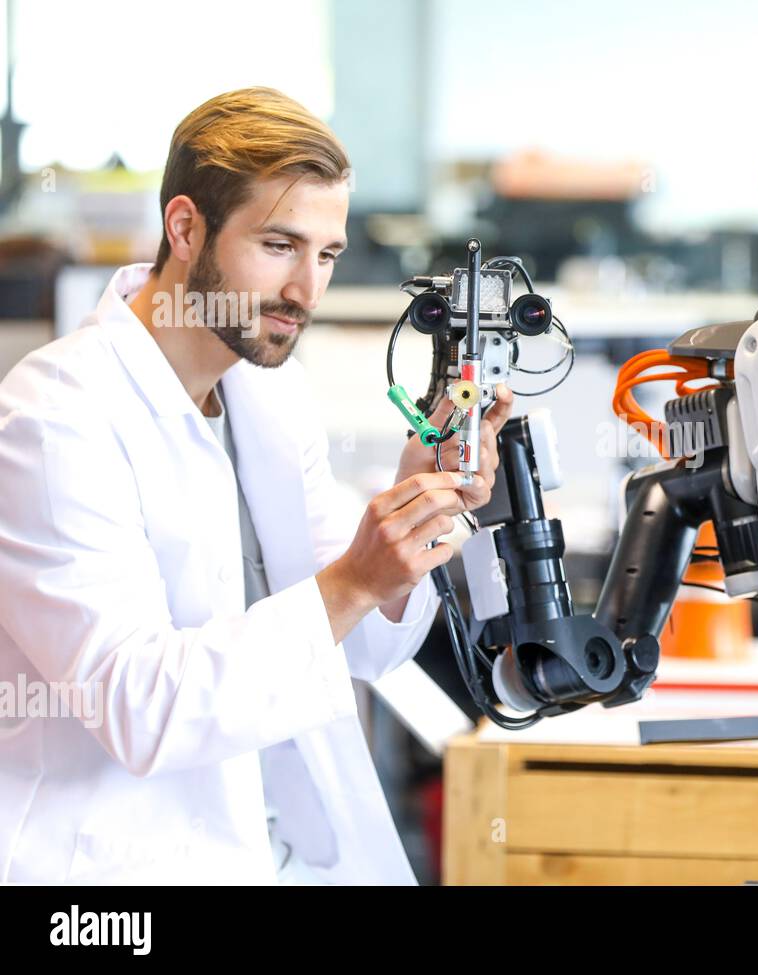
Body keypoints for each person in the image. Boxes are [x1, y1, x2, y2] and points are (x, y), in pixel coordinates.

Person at [0, 88, 511, 884]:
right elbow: (141, 708)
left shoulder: (267, 394)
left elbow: (367, 644)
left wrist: (419, 501)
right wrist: (353, 578)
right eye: (279, 245)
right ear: (185, 227)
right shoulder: (54, 418)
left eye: (328, 255)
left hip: (274, 856)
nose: (307, 290)